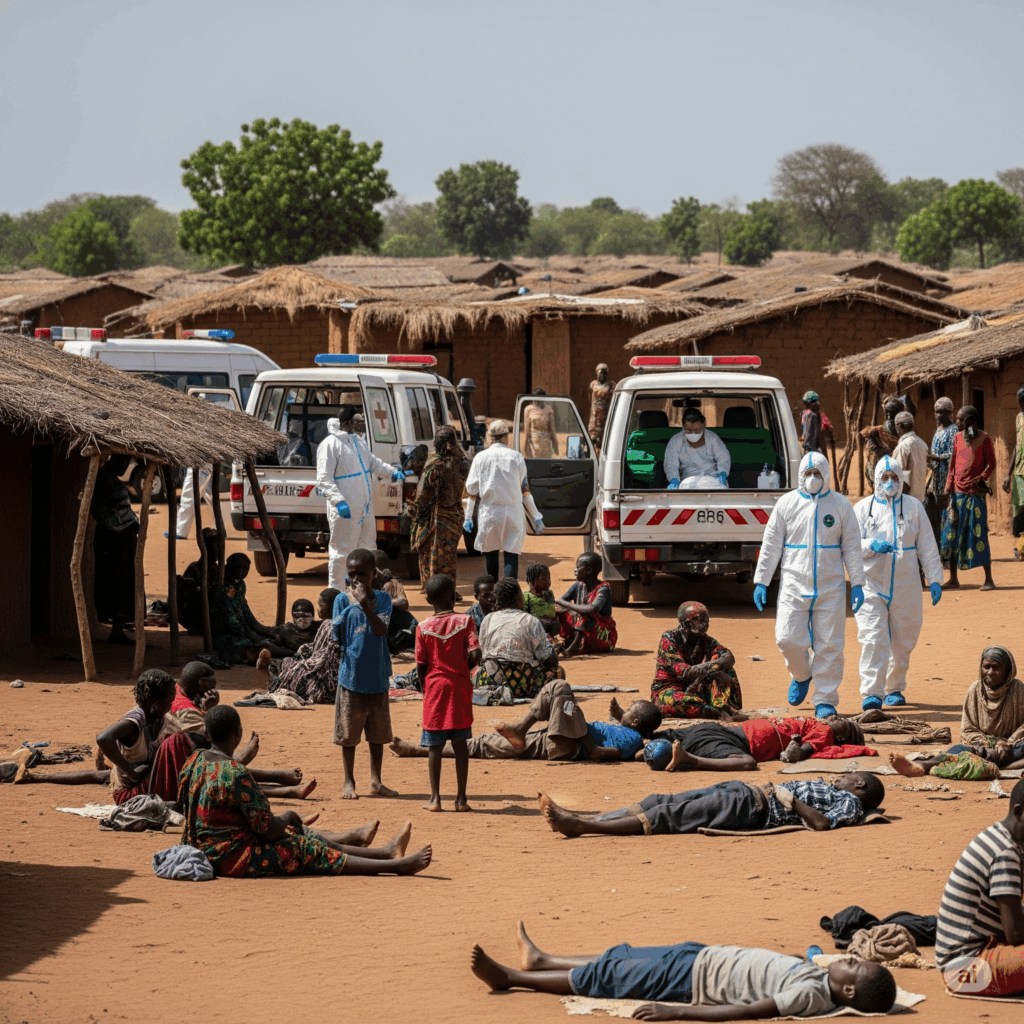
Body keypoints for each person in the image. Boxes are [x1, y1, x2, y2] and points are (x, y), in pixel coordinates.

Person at [178, 705, 432, 878]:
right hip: (231, 857)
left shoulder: (193, 760)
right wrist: (289, 815)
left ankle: (385, 853)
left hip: (199, 848)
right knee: (306, 848)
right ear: (238, 732)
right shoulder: (235, 773)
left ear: (207, 733)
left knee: (299, 834)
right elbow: (268, 831)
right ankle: (396, 866)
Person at [470, 921, 897, 1018]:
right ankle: (543, 961)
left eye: (852, 966)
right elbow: (813, 959)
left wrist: (676, 1011)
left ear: (849, 992)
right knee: (622, 958)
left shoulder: (811, 996)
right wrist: (813, 955)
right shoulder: (823, 978)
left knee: (611, 978)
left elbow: (746, 1011)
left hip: (690, 982)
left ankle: (511, 978)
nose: (847, 959)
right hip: (702, 956)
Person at [753, 452, 865, 719]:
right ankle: (802, 674)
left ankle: (825, 698)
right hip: (793, 583)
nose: (812, 478)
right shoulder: (787, 503)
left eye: (817, 474)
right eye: (808, 473)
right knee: (787, 638)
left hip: (830, 586)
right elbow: (771, 544)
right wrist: (761, 580)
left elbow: (851, 545)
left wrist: (858, 582)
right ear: (800, 475)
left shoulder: (840, 504)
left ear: (826, 475)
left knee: (830, 645)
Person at [537, 771, 885, 839]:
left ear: (860, 786)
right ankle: (584, 819)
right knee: (658, 800)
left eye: (849, 776)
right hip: (747, 791)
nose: (842, 776)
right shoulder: (837, 790)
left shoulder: (849, 803)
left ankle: (582, 826)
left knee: (668, 815)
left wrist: (791, 800)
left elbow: (822, 824)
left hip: (754, 808)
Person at [853, 457, 943, 710]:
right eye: (885, 478)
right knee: (873, 639)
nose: (890, 482)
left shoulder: (914, 507)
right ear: (876, 479)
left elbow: (927, 544)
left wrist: (935, 578)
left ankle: (894, 687)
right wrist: (870, 545)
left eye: (894, 477)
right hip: (871, 584)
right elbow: (849, 545)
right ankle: (872, 692)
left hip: (907, 584)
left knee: (904, 639)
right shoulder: (862, 509)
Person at [392, 687, 661, 762]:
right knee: (489, 744)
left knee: (560, 688)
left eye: (628, 711)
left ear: (636, 722)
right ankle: (519, 729)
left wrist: (579, 730)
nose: (623, 712)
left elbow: (598, 753)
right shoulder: (629, 732)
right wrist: (617, 714)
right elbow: (619, 726)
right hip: (564, 736)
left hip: (571, 744)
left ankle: (417, 750)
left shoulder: (633, 741)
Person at [934, 778, 1024, 996]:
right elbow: (1015, 934)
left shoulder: (1001, 838)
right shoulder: (1005, 854)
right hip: (964, 971)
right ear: (1019, 812)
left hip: (975, 954)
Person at [889, 646, 1024, 777]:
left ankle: (998, 765)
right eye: (986, 667)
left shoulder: (1018, 689)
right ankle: (921, 766)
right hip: (981, 747)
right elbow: (967, 729)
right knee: (959, 750)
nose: (990, 672)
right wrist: (989, 744)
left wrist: (1008, 743)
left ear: (1008, 670)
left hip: (1013, 747)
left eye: (996, 668)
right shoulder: (975, 689)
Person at [332, 548, 396, 800]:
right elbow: (337, 636)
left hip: (378, 676)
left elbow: (380, 630)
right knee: (348, 735)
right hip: (351, 677)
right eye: (352, 574)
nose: (356, 579)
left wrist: (364, 604)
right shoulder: (341, 600)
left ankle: (376, 781)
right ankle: (349, 781)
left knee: (377, 735)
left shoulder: (383, 599)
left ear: (373, 574)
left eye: (362, 574)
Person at [317, 414, 407, 590]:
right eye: (357, 421)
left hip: (365, 508)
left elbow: (373, 463)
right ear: (346, 422)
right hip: (345, 509)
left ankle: (367, 591)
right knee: (342, 552)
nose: (361, 425)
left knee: (368, 549)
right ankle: (337, 592)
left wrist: (392, 472)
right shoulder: (330, 445)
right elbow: (324, 479)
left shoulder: (358, 442)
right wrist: (338, 501)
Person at [414, 573, 481, 811]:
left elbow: (421, 664)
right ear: (454, 596)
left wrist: (425, 686)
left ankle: (435, 799)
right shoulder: (466, 621)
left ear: (428, 600)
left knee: (435, 746)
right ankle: (461, 799)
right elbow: (476, 654)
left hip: (434, 689)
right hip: (459, 686)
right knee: (460, 743)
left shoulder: (422, 627)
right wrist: (462, 669)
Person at [464, 419, 544, 580]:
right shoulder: (516, 457)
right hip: (513, 512)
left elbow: (471, 490)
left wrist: (468, 517)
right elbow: (525, 490)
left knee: (490, 554)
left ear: (490, 438)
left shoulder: (480, 457)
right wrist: (536, 516)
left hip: (489, 513)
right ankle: (509, 590)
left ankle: (492, 590)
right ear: (506, 437)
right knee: (511, 554)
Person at [651, 716, 874, 772]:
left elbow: (803, 751)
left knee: (747, 763)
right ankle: (643, 751)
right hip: (725, 731)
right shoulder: (818, 725)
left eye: (842, 721)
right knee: (660, 736)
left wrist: (796, 750)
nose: (835, 717)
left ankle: (689, 759)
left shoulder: (825, 733)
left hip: (736, 740)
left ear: (842, 737)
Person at [474, 578, 564, 699]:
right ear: (518, 597)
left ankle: (495, 691)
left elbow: (483, 653)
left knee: (476, 672)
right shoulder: (529, 620)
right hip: (521, 685)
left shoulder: (488, 619)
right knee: (559, 672)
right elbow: (548, 658)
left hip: (491, 679)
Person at [651, 601, 740, 719]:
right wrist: (713, 667)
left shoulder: (704, 639)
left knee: (726, 668)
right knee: (676, 701)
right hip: (668, 689)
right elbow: (685, 672)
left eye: (707, 620)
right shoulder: (669, 639)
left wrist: (717, 667)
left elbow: (728, 657)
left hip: (693, 686)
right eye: (700, 620)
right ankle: (714, 711)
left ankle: (726, 706)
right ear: (687, 624)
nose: (706, 624)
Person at [407, 424, 470, 590]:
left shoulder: (435, 464)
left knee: (433, 555)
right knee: (449, 556)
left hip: (436, 519)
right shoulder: (461, 462)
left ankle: (434, 589)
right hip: (455, 518)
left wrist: (415, 510)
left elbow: (423, 494)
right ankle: (448, 589)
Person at [941, 405, 997, 591]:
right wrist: (948, 488)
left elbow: (992, 463)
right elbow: (952, 465)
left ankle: (988, 580)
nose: (957, 422)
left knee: (978, 534)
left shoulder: (984, 438)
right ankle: (953, 579)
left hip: (974, 496)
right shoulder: (957, 438)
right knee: (952, 535)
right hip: (957, 496)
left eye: (960, 419)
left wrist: (982, 477)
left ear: (970, 421)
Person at [210, 554, 294, 664]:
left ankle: (289, 654)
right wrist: (253, 636)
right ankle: (292, 655)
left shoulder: (240, 585)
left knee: (271, 638)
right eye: (236, 567)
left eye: (244, 568)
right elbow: (231, 622)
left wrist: (270, 633)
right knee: (255, 644)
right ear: (227, 567)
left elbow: (248, 616)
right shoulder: (223, 589)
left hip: (241, 631)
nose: (240, 571)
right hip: (224, 636)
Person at [91, 454, 139, 644]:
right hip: (112, 541)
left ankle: (118, 629)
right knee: (116, 580)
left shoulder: (110, 478)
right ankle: (115, 628)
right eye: (127, 462)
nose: (126, 467)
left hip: (120, 539)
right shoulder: (104, 479)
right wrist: (123, 526)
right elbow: (100, 510)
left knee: (123, 580)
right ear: (120, 461)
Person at [266, 588, 342, 704]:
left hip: (326, 681)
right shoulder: (344, 622)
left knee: (288, 664)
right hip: (339, 679)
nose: (318, 610)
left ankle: (273, 680)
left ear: (332, 608)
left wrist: (303, 663)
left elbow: (319, 661)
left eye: (321, 606)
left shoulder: (328, 626)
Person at [555, 552, 617, 656]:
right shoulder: (578, 586)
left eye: (578, 567)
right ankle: (568, 642)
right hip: (585, 633)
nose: (575, 570)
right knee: (557, 609)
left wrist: (569, 606)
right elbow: (560, 603)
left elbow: (591, 609)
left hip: (602, 637)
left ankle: (575, 645)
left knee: (586, 613)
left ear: (588, 570)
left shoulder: (603, 588)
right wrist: (569, 608)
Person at [664, 408, 731, 490]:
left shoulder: (712, 438)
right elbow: (671, 464)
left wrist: (723, 473)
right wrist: (674, 480)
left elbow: (723, 457)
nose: (693, 433)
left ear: (703, 425)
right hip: (687, 481)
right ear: (683, 426)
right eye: (689, 430)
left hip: (713, 480)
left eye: (697, 430)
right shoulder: (675, 441)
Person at [925, 397, 957, 550]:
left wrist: (937, 457)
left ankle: (947, 548)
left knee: (946, 512)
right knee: (934, 510)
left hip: (946, 477)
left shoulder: (953, 431)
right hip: (935, 476)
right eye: (936, 412)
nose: (938, 415)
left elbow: (953, 454)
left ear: (949, 413)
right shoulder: (938, 430)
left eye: (942, 412)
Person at [372, 550, 417, 654]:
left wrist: (385, 602)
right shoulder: (364, 584)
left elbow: (403, 602)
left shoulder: (391, 583)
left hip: (392, 624)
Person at [1003, 386, 1024, 561]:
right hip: (1019, 472)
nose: (1020, 405)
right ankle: (1021, 545)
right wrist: (1008, 474)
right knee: (1019, 510)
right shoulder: (1019, 418)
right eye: (1019, 402)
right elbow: (1018, 446)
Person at [860, 398, 902, 485]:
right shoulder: (878, 430)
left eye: (893, 414)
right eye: (889, 414)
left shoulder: (902, 431)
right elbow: (866, 435)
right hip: (882, 465)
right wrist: (876, 449)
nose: (890, 417)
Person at [891, 411, 929, 503]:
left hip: (907, 501)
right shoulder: (922, 444)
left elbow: (900, 476)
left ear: (899, 425)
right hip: (920, 500)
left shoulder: (903, 446)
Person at [173, 465, 214, 540]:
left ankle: (181, 532)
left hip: (199, 467)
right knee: (212, 499)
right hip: (204, 468)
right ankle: (221, 530)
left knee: (189, 498)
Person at [522, 563, 559, 636]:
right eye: (544, 579)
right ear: (533, 580)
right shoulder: (526, 596)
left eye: (549, 579)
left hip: (550, 625)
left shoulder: (550, 593)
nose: (548, 582)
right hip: (535, 627)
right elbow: (524, 616)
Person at [522, 388, 559, 459]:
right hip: (534, 446)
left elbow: (552, 431)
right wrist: (525, 447)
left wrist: (555, 446)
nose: (536, 401)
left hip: (546, 446)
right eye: (535, 399)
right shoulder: (528, 409)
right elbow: (526, 431)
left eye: (538, 399)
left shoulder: (548, 410)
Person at [588, 363, 614, 451]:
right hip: (594, 415)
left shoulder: (611, 385)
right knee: (593, 437)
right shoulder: (593, 384)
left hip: (605, 415)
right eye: (599, 373)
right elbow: (590, 398)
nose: (601, 375)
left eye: (603, 373)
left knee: (605, 437)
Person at [801, 390, 823, 455]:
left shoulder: (804, 414)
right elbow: (816, 434)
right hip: (811, 448)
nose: (818, 404)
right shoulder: (813, 416)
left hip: (805, 446)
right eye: (816, 402)